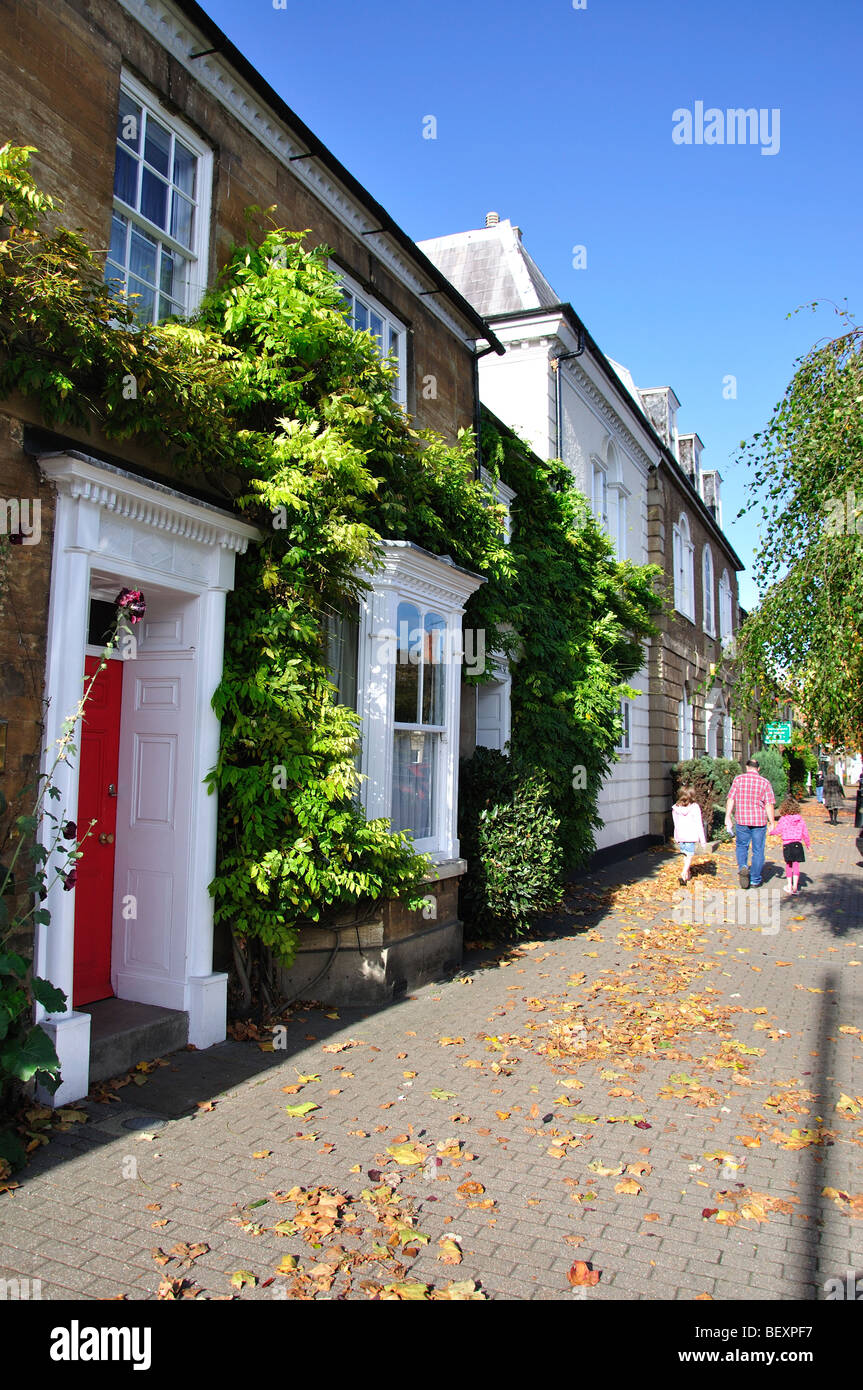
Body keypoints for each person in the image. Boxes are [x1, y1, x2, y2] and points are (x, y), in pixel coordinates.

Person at [725, 756, 775, 889]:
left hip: (742, 819)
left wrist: (727, 816)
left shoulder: (738, 779)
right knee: (758, 850)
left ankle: (743, 867)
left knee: (742, 846)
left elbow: (731, 798)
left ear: (747, 767)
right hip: (759, 821)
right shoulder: (765, 782)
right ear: (758, 769)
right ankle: (755, 879)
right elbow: (769, 804)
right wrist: (772, 822)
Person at [769, 795, 811, 895]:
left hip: (787, 844)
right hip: (797, 844)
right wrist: (808, 845)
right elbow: (805, 833)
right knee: (796, 865)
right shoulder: (800, 819)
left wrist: (771, 832)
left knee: (788, 865)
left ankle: (789, 885)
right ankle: (795, 886)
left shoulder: (783, 819)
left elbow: (779, 830)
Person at [672, 786, 707, 884]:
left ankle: (688, 874)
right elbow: (699, 824)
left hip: (681, 835)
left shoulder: (676, 808)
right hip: (690, 835)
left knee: (685, 855)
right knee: (689, 856)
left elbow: (676, 824)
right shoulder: (694, 807)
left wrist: (676, 836)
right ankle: (683, 874)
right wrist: (703, 840)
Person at [823, 760, 846, 825]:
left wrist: (823, 796)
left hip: (829, 794)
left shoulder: (826, 777)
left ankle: (831, 819)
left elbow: (824, 787)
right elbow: (839, 785)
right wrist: (843, 794)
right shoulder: (836, 776)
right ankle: (835, 819)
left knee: (829, 807)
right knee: (835, 807)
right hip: (836, 793)